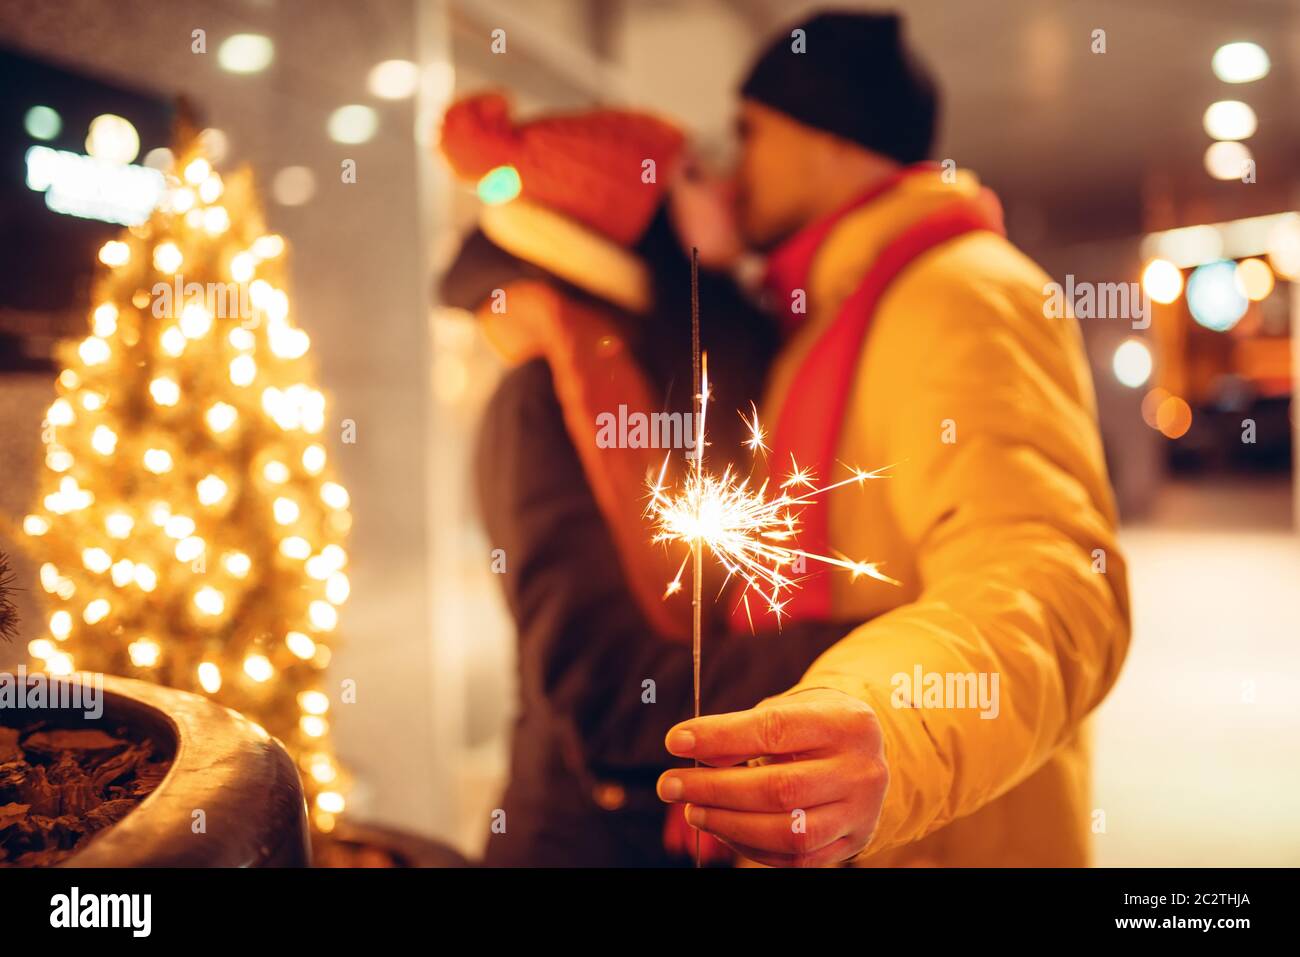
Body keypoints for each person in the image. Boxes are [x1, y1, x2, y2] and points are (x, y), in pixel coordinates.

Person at [540, 11, 1132, 867]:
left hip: (942, 837)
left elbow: (1053, 579)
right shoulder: (828, 315)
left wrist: (882, 717)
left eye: (750, 133)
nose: (737, 169)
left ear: (830, 139)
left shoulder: (961, 293)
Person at [437, 93, 858, 866]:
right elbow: (606, 690)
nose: (726, 185)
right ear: (638, 221)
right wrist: (862, 648)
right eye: (692, 174)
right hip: (589, 837)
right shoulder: (541, 402)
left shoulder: (695, 372)